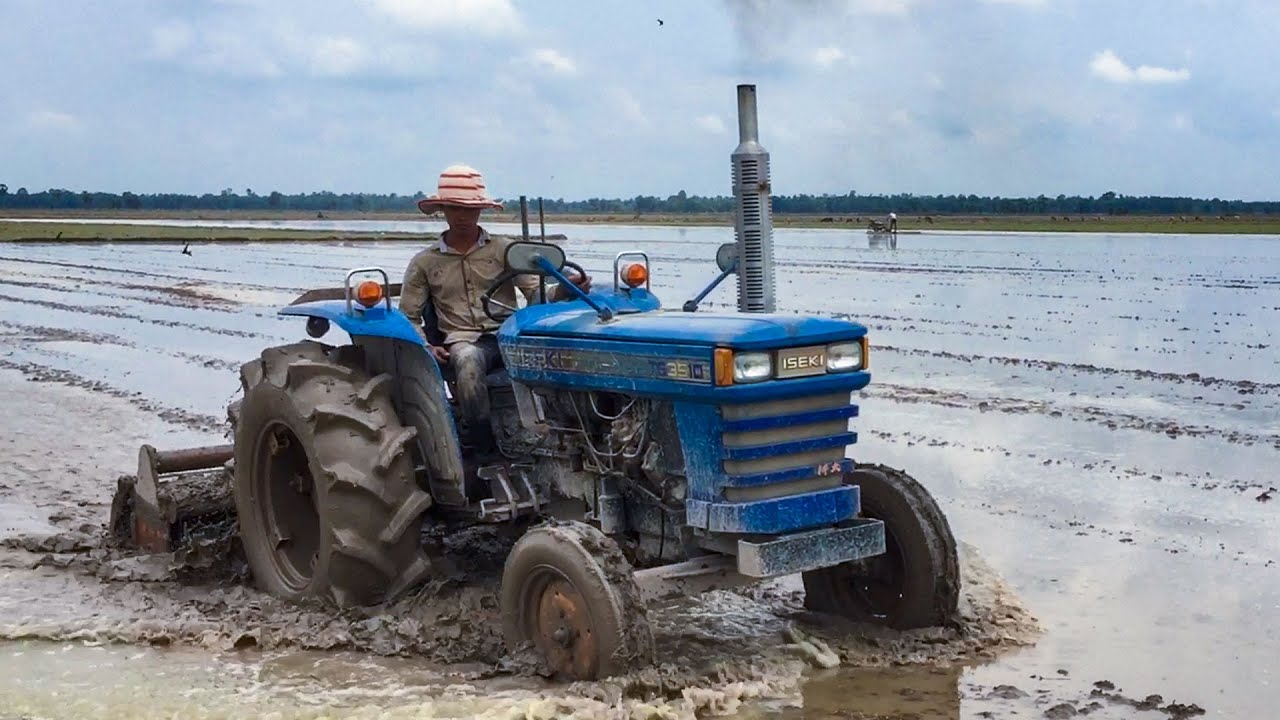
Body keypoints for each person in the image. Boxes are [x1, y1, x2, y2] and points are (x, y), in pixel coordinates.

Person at [400, 164, 590, 453]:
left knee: (569, 350)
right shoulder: (425, 262)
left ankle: (573, 435)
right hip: (461, 340)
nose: (462, 216)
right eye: (454, 208)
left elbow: (534, 292)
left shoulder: (504, 249)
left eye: (469, 209)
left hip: (507, 334)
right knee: (468, 361)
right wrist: (426, 345)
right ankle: (483, 443)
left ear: (480, 211)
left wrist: (566, 289)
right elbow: (408, 316)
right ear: (443, 210)